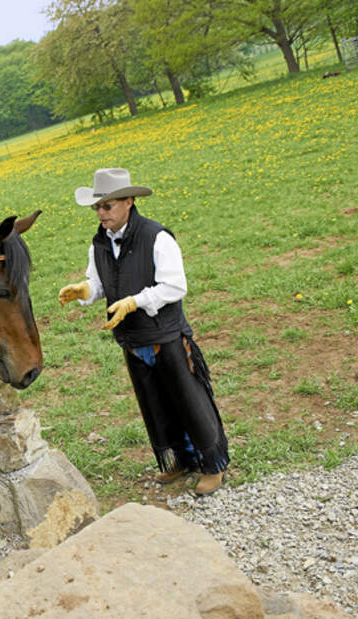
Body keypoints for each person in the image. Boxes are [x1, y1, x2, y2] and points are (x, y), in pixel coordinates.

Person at [58, 168, 230, 495]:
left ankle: (213, 465)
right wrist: (85, 290)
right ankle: (181, 460)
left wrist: (136, 302)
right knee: (156, 406)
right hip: (133, 341)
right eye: (97, 207)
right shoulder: (99, 244)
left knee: (190, 401)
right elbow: (99, 282)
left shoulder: (157, 237)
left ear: (129, 202)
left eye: (107, 206)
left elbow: (175, 286)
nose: (101, 213)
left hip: (167, 338)